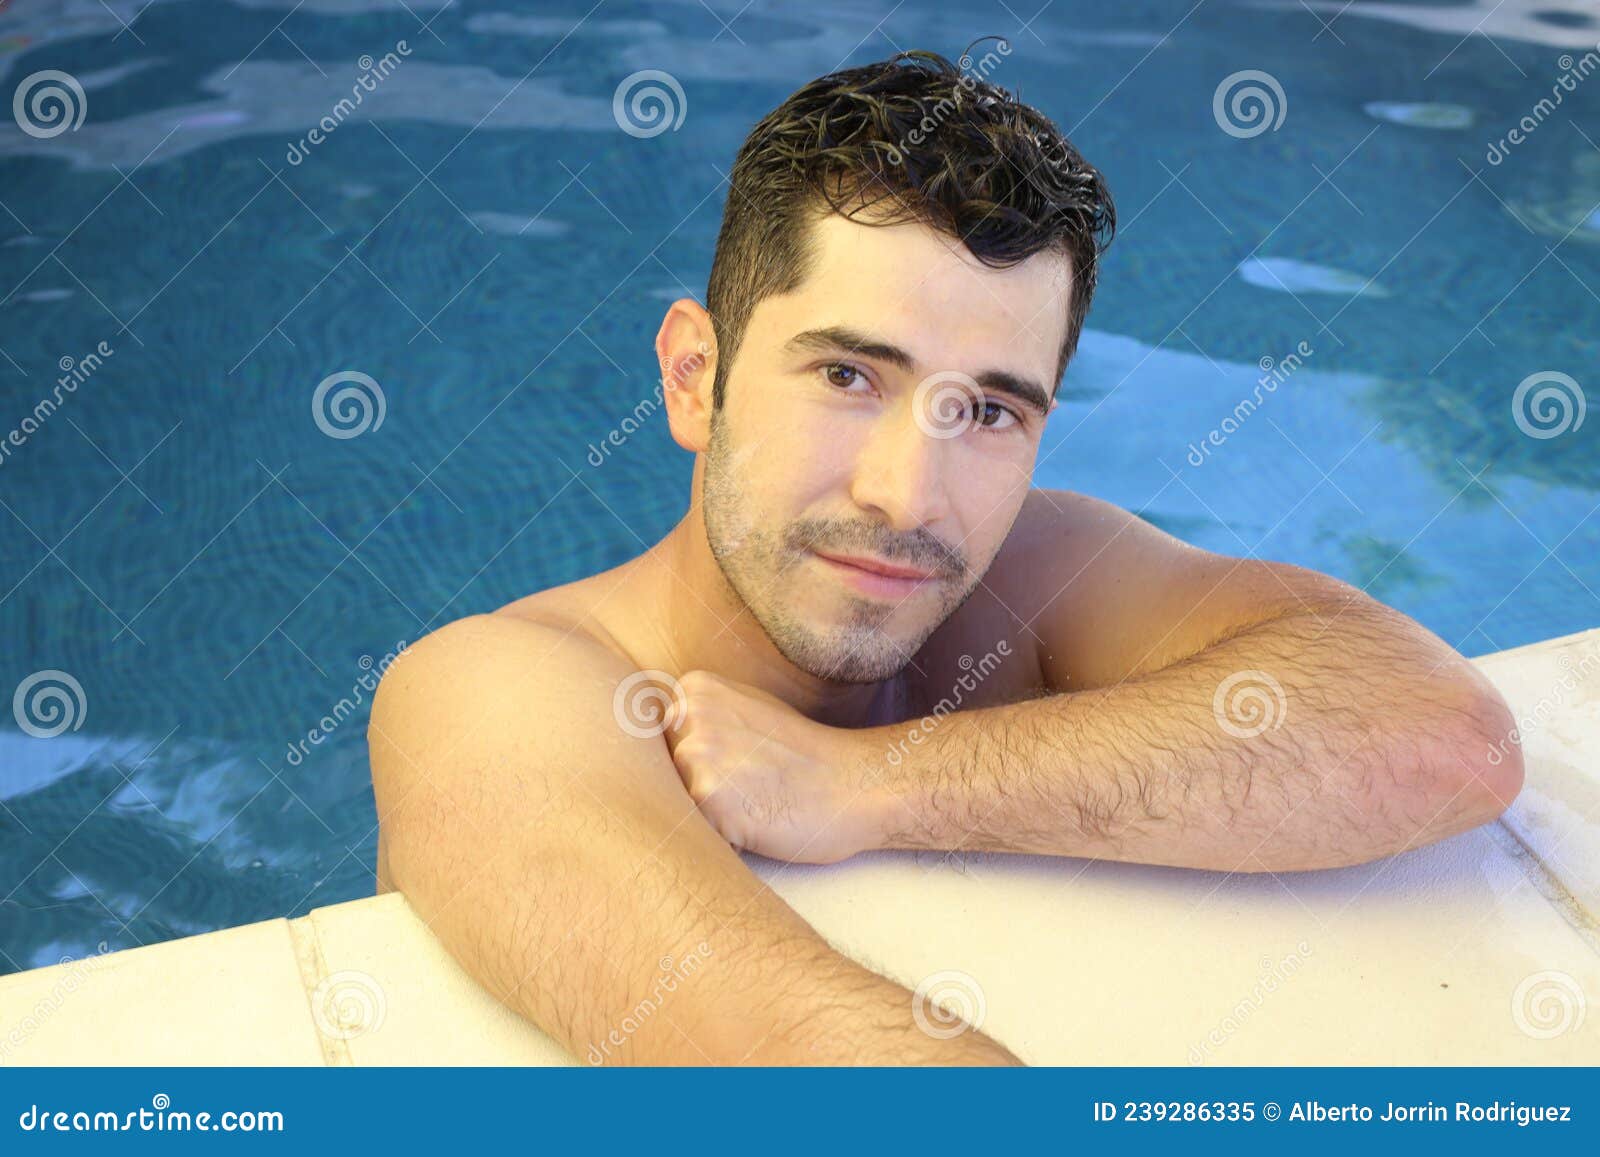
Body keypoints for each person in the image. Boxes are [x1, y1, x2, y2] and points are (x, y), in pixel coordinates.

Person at [367, 48, 1523, 1066]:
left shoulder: (1034, 572)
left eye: (987, 412)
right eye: (846, 375)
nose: (907, 493)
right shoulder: (492, 689)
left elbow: (1447, 742)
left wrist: (863, 782)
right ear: (692, 377)